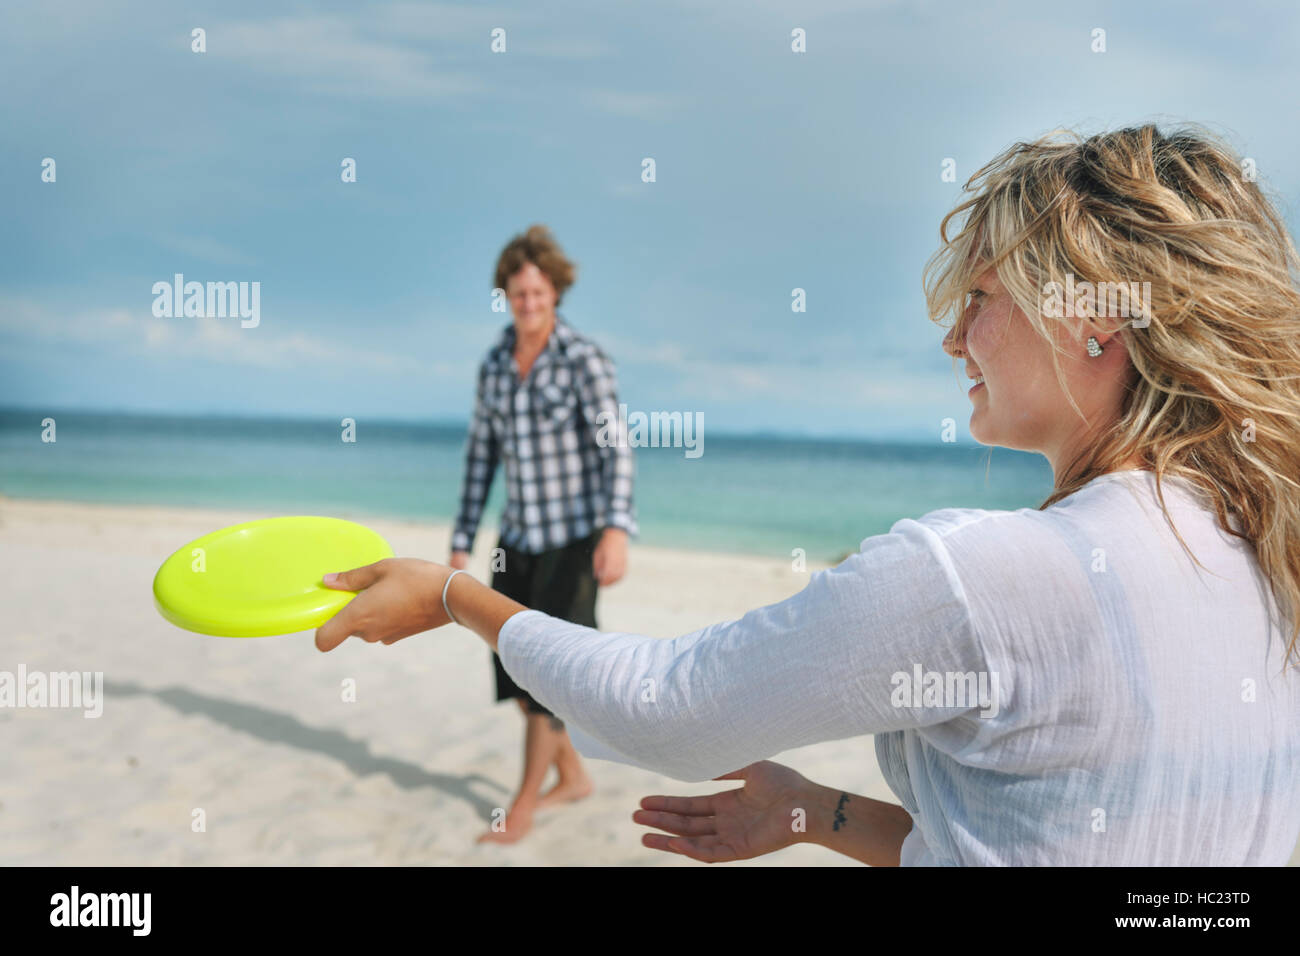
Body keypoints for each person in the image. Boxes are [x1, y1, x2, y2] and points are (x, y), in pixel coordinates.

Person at [317, 126, 1300, 864]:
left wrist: (452, 597)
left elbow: (667, 707)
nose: (954, 338)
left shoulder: (983, 574)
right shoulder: (1265, 554)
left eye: (981, 298)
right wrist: (812, 813)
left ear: (1095, 323)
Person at [448, 224, 637, 844]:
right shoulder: (494, 366)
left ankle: (522, 805)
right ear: (506, 295)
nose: (528, 304)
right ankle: (574, 778)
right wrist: (461, 536)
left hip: (574, 541)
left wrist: (616, 529)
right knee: (512, 664)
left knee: (548, 674)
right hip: (517, 540)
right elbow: (482, 457)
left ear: (555, 291)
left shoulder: (583, 357)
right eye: (517, 293)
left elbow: (617, 449)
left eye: (538, 292)